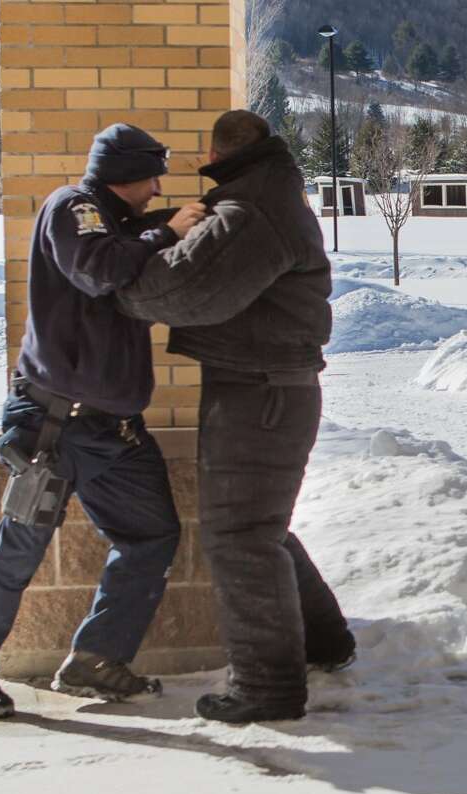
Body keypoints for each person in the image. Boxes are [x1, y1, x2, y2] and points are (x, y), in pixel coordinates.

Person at [0, 124, 207, 719]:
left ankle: (96, 660)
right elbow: (97, 268)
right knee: (22, 542)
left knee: (152, 536)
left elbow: (128, 244)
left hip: (115, 429)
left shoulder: (118, 223)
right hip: (56, 422)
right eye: (151, 176)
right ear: (125, 173)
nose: (157, 188)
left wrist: (186, 221)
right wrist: (168, 231)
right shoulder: (74, 209)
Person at [117, 110, 354, 724]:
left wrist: (118, 278)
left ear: (217, 155)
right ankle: (326, 641)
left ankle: (267, 688)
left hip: (259, 392)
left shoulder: (249, 211)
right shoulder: (267, 195)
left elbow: (178, 291)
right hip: (267, 388)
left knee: (241, 537)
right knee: (261, 528)